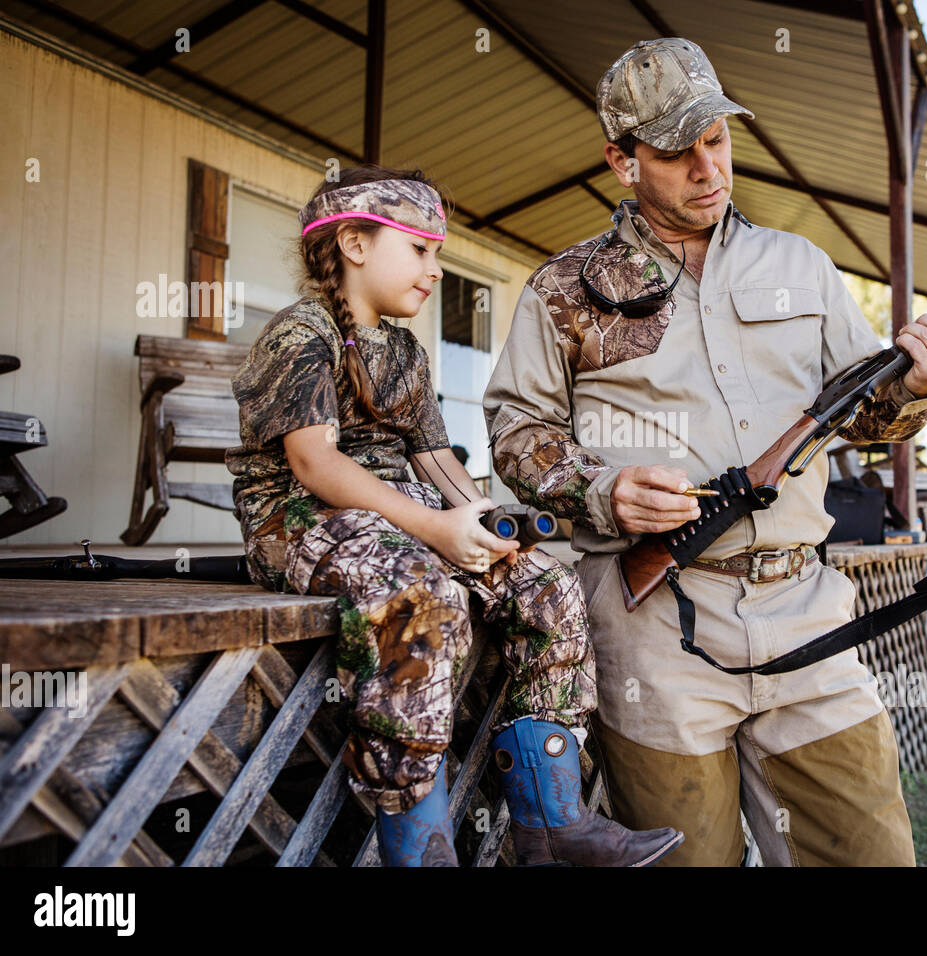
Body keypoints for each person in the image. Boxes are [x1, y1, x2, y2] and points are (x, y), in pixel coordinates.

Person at [483, 38, 927, 866]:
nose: (707, 167)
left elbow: (868, 420)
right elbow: (517, 434)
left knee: (871, 852)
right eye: (677, 151)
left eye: (716, 139)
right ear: (622, 160)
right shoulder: (562, 289)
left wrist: (923, 383)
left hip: (806, 614)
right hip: (653, 631)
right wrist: (604, 491)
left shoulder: (802, 266)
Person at [224, 164, 683, 867]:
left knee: (545, 585)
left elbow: (436, 461)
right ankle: (420, 843)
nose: (435, 269)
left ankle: (549, 820)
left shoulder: (404, 352)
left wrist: (483, 522)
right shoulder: (301, 334)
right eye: (420, 249)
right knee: (422, 594)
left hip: (393, 520)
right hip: (298, 521)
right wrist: (435, 528)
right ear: (352, 242)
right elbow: (316, 464)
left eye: (438, 252)